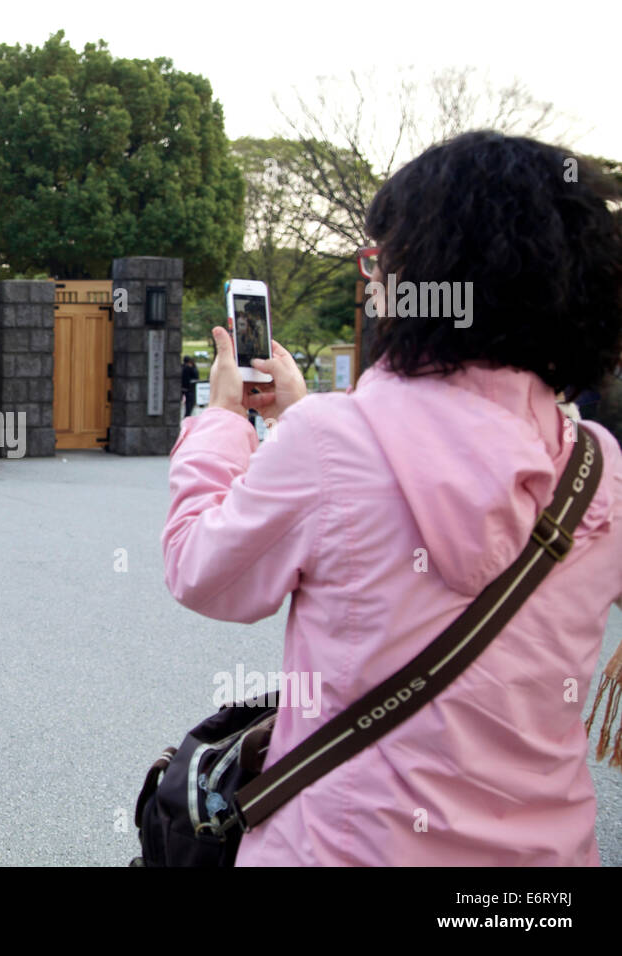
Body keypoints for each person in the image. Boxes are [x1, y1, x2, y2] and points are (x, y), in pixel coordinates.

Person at [162, 131, 622, 865]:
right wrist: (301, 418)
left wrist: (223, 421)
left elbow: (201, 570)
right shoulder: (599, 467)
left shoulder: (331, 444)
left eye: (382, 259)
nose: (373, 282)